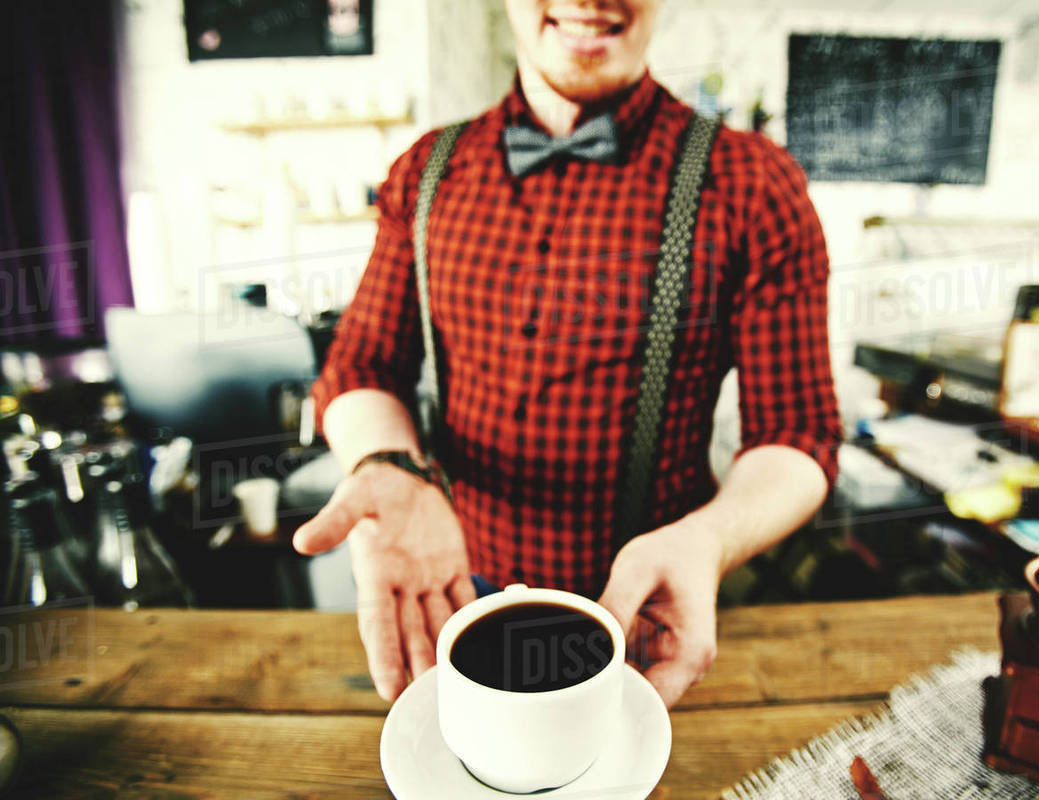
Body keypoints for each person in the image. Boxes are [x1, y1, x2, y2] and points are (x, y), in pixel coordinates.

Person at [293, 0, 841, 708]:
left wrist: (708, 543)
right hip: (457, 584)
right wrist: (386, 461)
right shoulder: (425, 173)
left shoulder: (753, 184)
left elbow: (798, 434)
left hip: (652, 607)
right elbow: (360, 367)